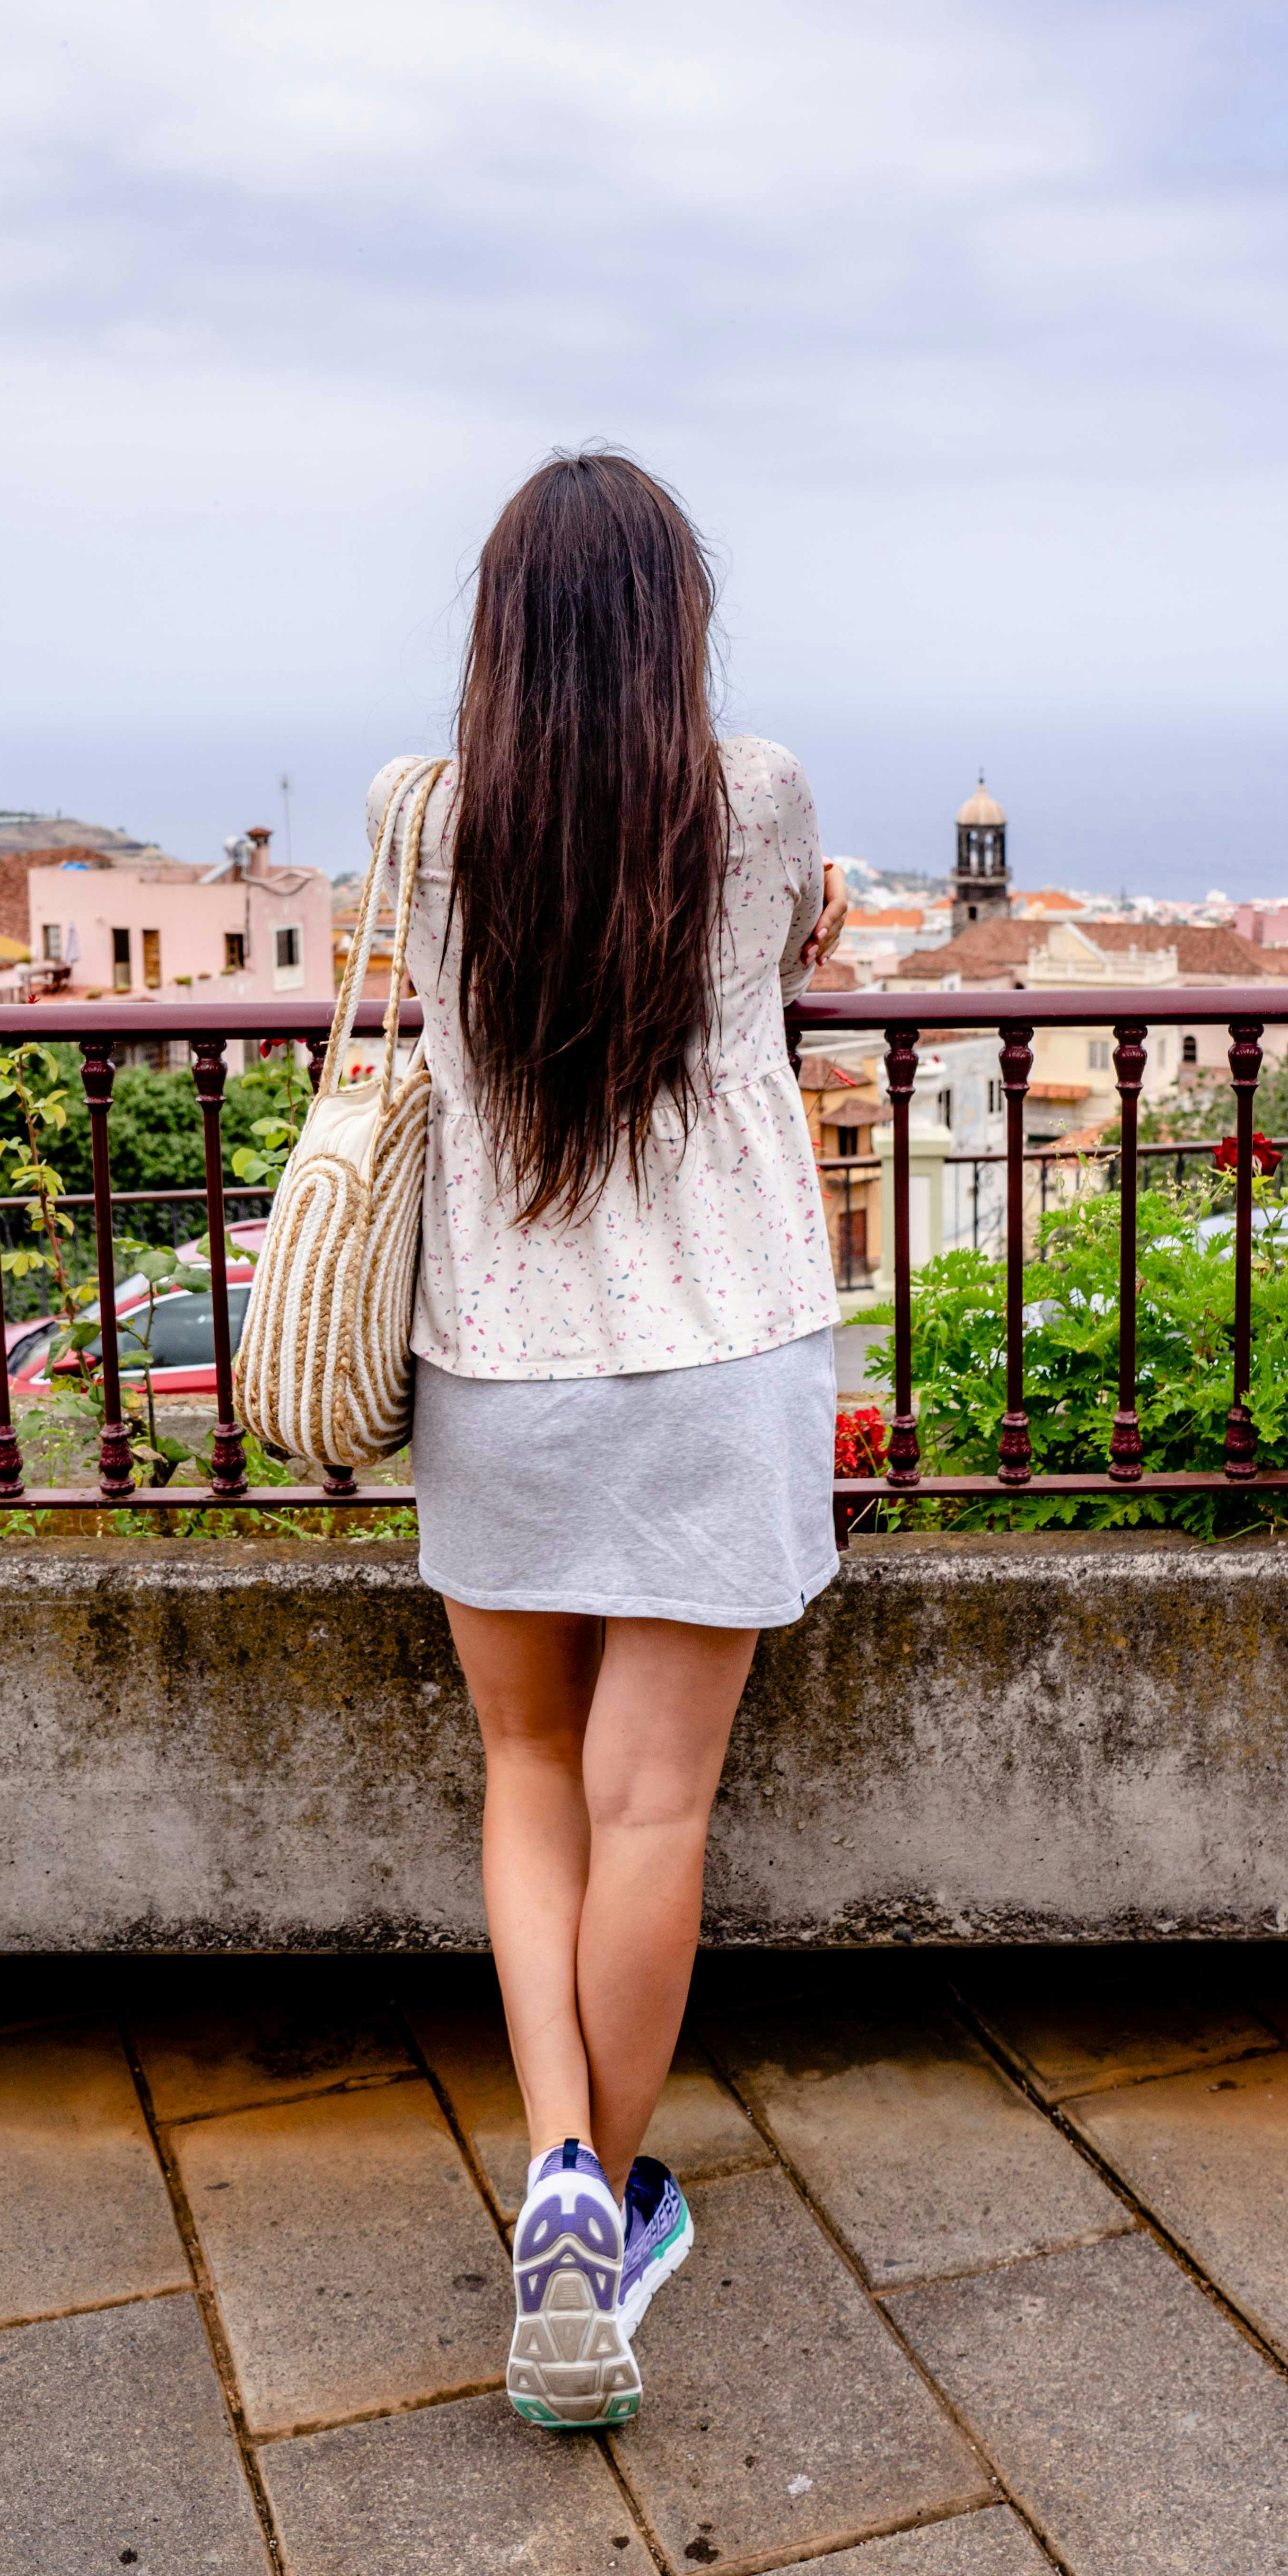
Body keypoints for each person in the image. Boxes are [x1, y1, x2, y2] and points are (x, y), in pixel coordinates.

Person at [370, 450, 847, 2429]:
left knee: (526, 1763)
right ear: (678, 622)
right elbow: (765, 981)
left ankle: (556, 2166)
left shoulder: (418, 818)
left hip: (501, 1359)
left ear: (498, 628)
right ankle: (615, 2206)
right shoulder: (759, 800)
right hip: (723, 1356)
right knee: (657, 1808)